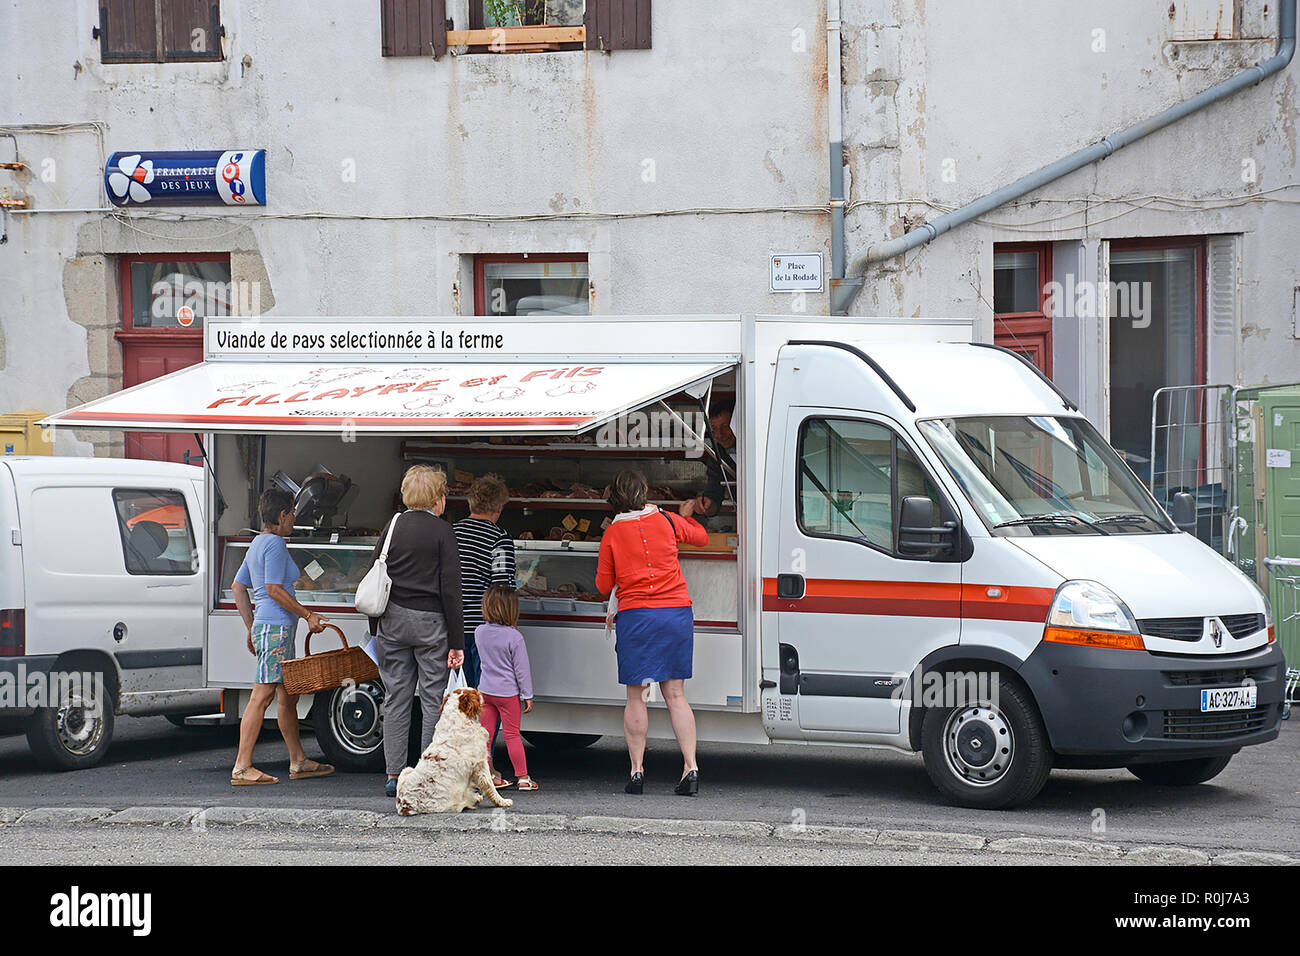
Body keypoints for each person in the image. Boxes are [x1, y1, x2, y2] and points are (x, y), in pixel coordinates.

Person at [596, 469, 708, 796]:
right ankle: (691, 768)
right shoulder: (668, 520)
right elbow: (700, 537)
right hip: (675, 613)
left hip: (637, 617)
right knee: (676, 695)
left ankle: (636, 772)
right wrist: (684, 515)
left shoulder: (613, 534)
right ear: (645, 492)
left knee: (637, 696)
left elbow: (604, 585)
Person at [370, 465, 464, 799]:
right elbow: (451, 590)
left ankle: (394, 774)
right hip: (430, 622)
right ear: (437, 498)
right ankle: (425, 774)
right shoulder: (443, 532)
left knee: (395, 698)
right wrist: (457, 640)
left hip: (392, 622)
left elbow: (375, 576)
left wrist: (375, 630)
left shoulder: (392, 526)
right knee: (431, 699)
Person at [230, 488, 334, 786]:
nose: (293, 519)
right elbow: (274, 588)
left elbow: (239, 587)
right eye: (291, 513)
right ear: (282, 515)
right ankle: (241, 766)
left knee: (287, 697)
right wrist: (308, 615)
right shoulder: (275, 544)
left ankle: (298, 760)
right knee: (261, 696)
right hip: (276, 629)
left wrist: (251, 626)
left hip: (270, 628)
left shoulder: (256, 544)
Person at [452, 474, 517, 688]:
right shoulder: (499, 538)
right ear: (498, 507)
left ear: (471, 502)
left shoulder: (451, 533)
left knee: (461, 697)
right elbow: (501, 589)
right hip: (485, 629)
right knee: (487, 696)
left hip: (453, 629)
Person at [475, 585, 537, 792]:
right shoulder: (514, 637)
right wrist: (527, 695)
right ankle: (523, 778)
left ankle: (489, 775)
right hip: (508, 693)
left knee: (487, 735)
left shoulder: (479, 632)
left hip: (486, 691)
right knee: (511, 735)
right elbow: (522, 670)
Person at [680, 398, 736, 521]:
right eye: (714, 429)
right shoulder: (716, 454)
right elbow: (714, 494)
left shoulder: (759, 448)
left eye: (725, 426)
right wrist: (707, 504)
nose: (719, 434)